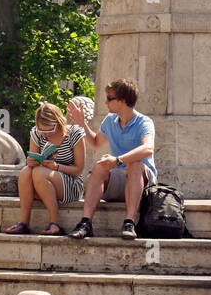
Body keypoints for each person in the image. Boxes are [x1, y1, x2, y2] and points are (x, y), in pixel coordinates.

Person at [66, 79, 156, 240]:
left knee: (135, 164)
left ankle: (129, 223)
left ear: (122, 101)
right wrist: (82, 124)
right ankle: (85, 223)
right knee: (100, 166)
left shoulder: (144, 122)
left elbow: (148, 148)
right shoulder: (110, 120)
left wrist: (118, 160)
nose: (105, 102)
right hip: (119, 179)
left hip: (141, 182)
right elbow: (95, 143)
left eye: (109, 98)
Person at [5, 102, 85, 236]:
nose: (46, 134)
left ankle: (55, 223)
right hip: (42, 181)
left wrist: (57, 167)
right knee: (26, 172)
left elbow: (79, 170)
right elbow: (33, 164)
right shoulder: (37, 134)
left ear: (58, 122)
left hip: (71, 183)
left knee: (39, 173)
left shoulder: (74, 133)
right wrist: (31, 162)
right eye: (42, 130)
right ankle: (24, 223)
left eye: (50, 130)